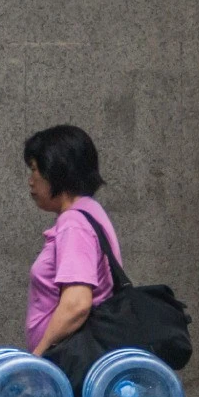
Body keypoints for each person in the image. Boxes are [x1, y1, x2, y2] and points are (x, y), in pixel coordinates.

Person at [24, 124, 121, 357]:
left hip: (69, 365)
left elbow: (77, 304)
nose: (30, 181)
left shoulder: (74, 223)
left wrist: (38, 356)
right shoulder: (89, 211)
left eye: (34, 170)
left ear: (56, 171)